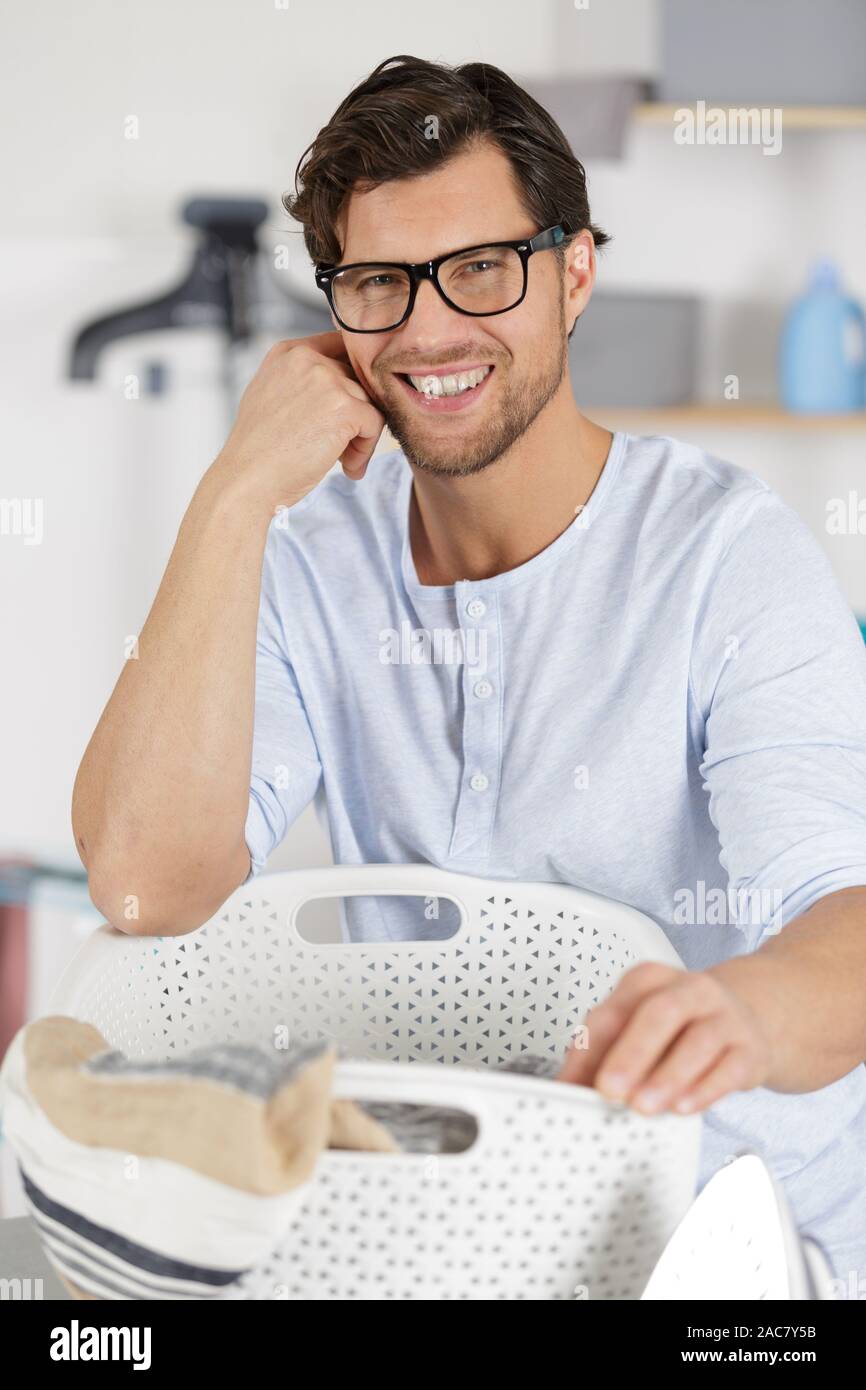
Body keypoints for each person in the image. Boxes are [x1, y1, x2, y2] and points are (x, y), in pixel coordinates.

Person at [72, 55, 866, 1293]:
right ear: (334, 316)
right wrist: (232, 497)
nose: (430, 329)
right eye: (379, 283)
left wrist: (744, 1017)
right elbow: (140, 886)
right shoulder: (306, 557)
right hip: (450, 1232)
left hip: (727, 1238)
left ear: (575, 273)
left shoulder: (726, 556)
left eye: (481, 268)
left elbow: (848, 920)